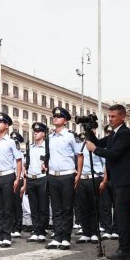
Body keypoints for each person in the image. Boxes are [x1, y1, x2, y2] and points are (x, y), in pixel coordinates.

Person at [86, 104, 130, 260]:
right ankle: (127, 247)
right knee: (120, 213)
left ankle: (126, 248)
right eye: (109, 116)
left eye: (113, 116)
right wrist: (88, 130)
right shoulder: (114, 134)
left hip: (124, 179)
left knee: (122, 214)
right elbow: (99, 142)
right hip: (117, 179)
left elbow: (114, 154)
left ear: (123, 117)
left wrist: (94, 149)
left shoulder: (125, 134)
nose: (110, 119)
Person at [46, 107, 83, 250]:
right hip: (53, 175)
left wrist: (78, 174)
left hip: (67, 174)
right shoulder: (50, 136)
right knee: (55, 208)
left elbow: (79, 155)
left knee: (67, 208)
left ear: (65, 120)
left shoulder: (70, 136)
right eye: (54, 116)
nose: (55, 118)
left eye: (59, 116)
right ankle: (57, 236)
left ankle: (66, 238)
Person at [0, 113, 23, 247]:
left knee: (7, 208)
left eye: (1, 122)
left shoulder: (12, 142)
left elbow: (18, 161)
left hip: (8, 176)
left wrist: (17, 179)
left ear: (6, 125)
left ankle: (6, 236)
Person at [76, 135, 106, 244]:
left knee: (94, 206)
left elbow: (105, 164)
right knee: (83, 207)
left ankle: (94, 232)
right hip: (83, 178)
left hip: (96, 177)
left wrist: (104, 180)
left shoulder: (97, 146)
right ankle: (86, 233)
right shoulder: (79, 146)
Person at [24, 122, 50, 243]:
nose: (35, 133)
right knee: (33, 207)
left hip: (42, 177)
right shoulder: (31, 147)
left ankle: (42, 230)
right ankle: (36, 230)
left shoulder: (47, 147)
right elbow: (27, 162)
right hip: (31, 178)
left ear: (44, 134)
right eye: (34, 131)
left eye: (38, 131)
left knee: (43, 207)